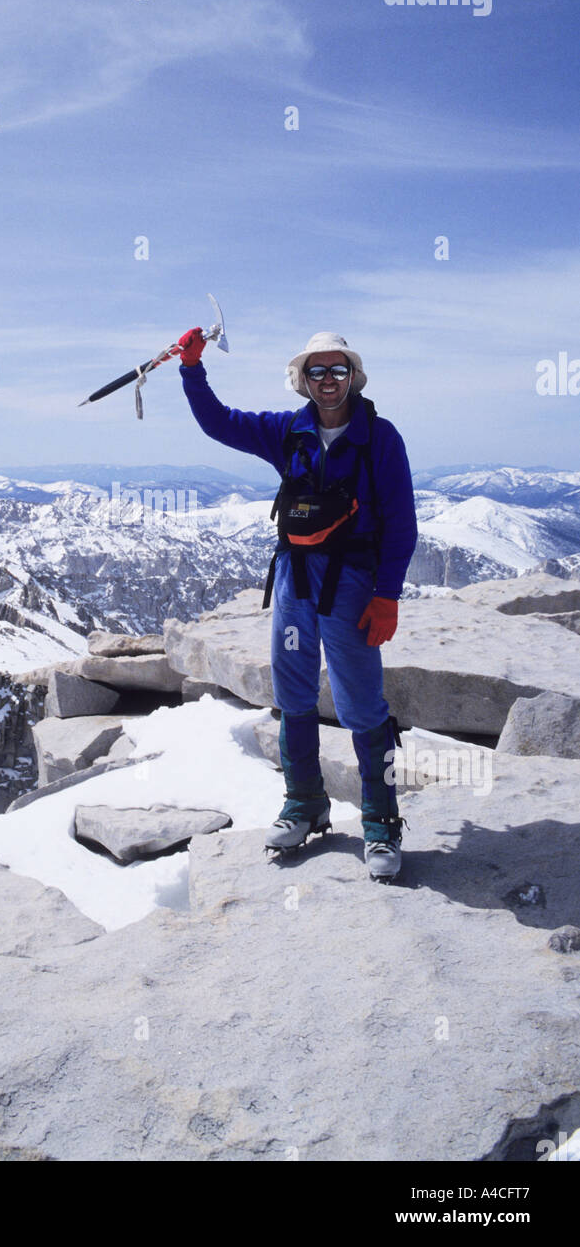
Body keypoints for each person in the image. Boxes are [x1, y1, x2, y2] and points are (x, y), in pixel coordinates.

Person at [177, 326, 417, 880]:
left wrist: (387, 597)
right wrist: (193, 369)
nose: (328, 381)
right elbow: (219, 422)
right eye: (317, 371)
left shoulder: (380, 438)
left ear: (353, 377)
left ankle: (381, 821)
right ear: (301, 380)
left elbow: (402, 524)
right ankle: (305, 802)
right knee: (293, 690)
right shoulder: (288, 432)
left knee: (360, 701)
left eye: (338, 370)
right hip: (294, 579)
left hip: (352, 582)